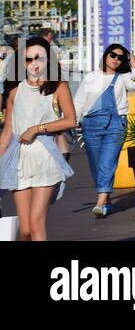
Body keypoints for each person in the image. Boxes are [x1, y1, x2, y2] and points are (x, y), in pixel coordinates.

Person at [0, 37, 76, 240]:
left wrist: (37, 128)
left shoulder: (58, 87)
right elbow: (7, 134)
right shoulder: (15, 92)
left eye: (39, 58)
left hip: (45, 159)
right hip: (19, 162)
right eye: (28, 59)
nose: (34, 63)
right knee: (24, 230)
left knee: (35, 224)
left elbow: (70, 120)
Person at [72, 43, 135, 217]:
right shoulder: (91, 77)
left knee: (107, 163)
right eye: (113, 55)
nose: (116, 59)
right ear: (105, 55)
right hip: (90, 125)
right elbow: (79, 101)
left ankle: (100, 202)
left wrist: (134, 63)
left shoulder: (123, 78)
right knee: (96, 165)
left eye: (120, 57)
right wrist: (72, 119)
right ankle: (106, 199)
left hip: (115, 125)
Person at [37, 28, 70, 156]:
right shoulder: (37, 50)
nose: (51, 41)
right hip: (42, 87)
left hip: (52, 87)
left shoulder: (52, 50)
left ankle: (61, 151)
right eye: (50, 38)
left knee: (56, 117)